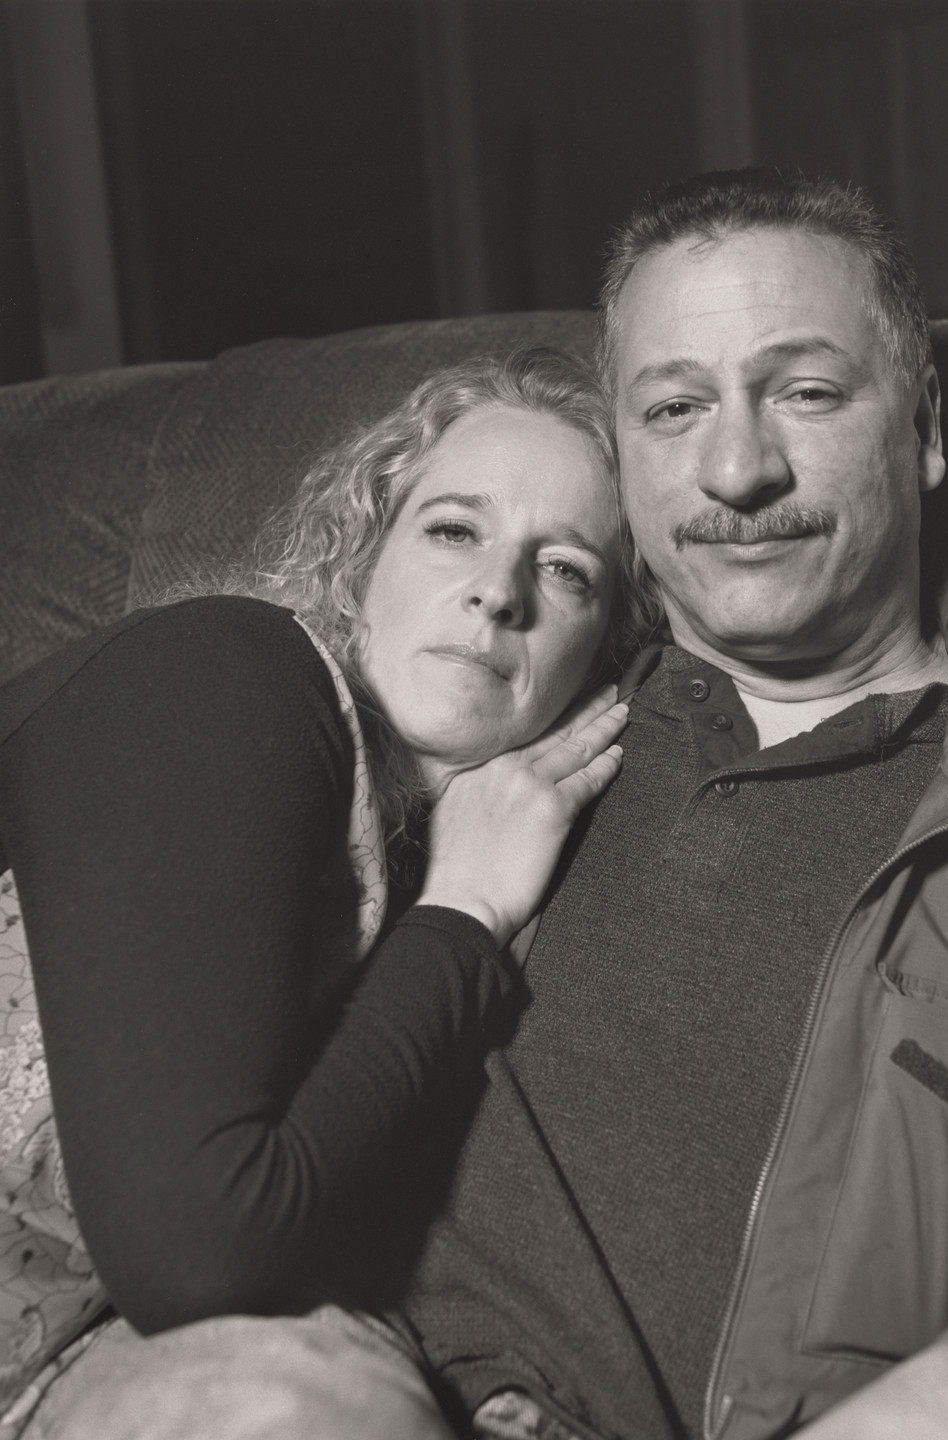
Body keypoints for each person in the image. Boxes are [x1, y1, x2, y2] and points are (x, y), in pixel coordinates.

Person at [11, 171, 948, 1440]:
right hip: (323, 1352)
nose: (736, 469)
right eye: (673, 407)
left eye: (804, 391)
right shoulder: (482, 707)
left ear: (925, 425)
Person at [0, 347, 643, 1434]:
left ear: (602, 658)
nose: (499, 591)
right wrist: (463, 916)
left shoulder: (403, 864)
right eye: (454, 530)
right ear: (362, 556)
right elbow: (200, 1248)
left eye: (567, 571)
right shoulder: (225, 676)